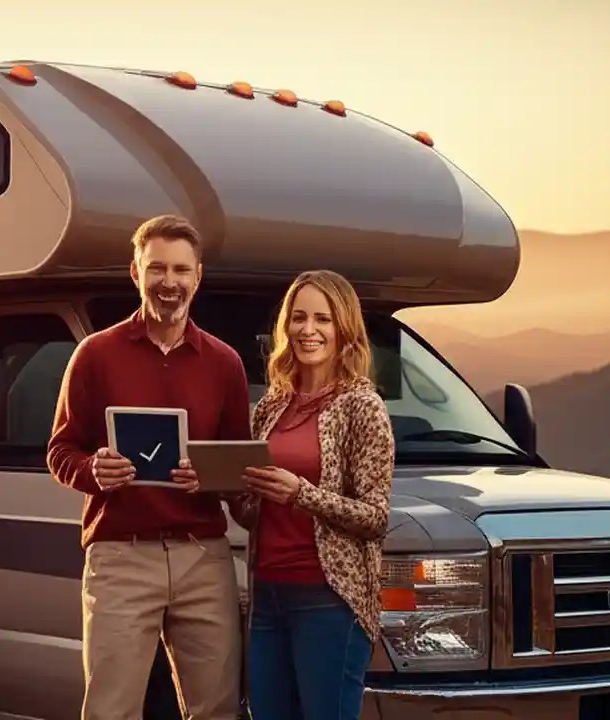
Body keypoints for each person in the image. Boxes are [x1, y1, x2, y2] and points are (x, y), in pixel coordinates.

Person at [47, 214, 251, 720]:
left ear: (197, 276)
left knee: (217, 709)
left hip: (202, 555)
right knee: (111, 710)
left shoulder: (225, 364)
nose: (169, 282)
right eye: (157, 268)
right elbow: (60, 450)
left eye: (181, 270)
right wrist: (94, 470)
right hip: (120, 555)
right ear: (135, 273)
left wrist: (212, 475)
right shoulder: (94, 356)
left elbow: (237, 465)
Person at [229, 269, 395, 720]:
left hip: (329, 600)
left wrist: (301, 493)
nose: (308, 330)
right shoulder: (271, 407)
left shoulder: (363, 406)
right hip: (267, 595)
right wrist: (225, 487)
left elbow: (376, 517)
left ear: (343, 329)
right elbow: (253, 514)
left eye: (322, 319)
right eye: (298, 318)